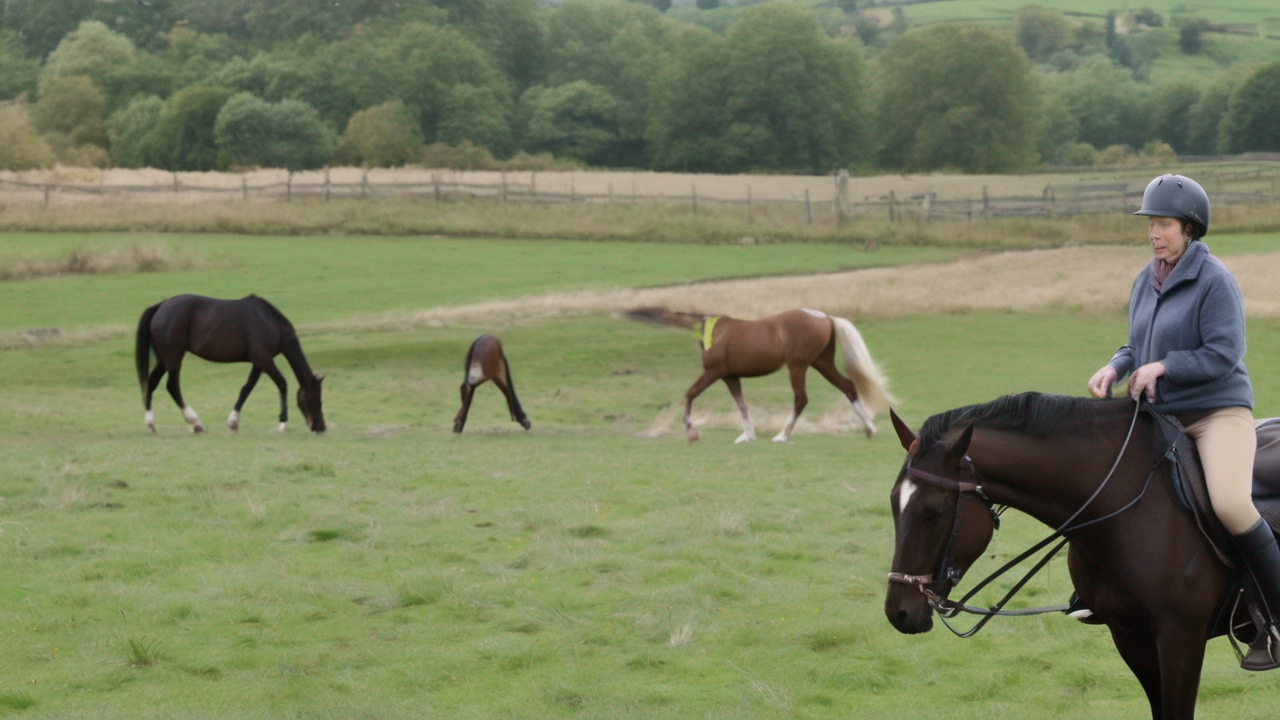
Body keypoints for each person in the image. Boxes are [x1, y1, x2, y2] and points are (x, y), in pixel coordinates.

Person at [1072, 173, 1280, 672]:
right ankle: (1101, 591)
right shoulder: (1147, 279)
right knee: (1105, 482)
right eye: (1150, 225)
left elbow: (1225, 353)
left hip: (1215, 414)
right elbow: (1134, 345)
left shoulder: (1216, 281)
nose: (1154, 234)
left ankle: (1274, 617)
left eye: (1163, 225)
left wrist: (1165, 366)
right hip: (1160, 416)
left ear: (1190, 228)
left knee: (1231, 503)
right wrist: (1116, 366)